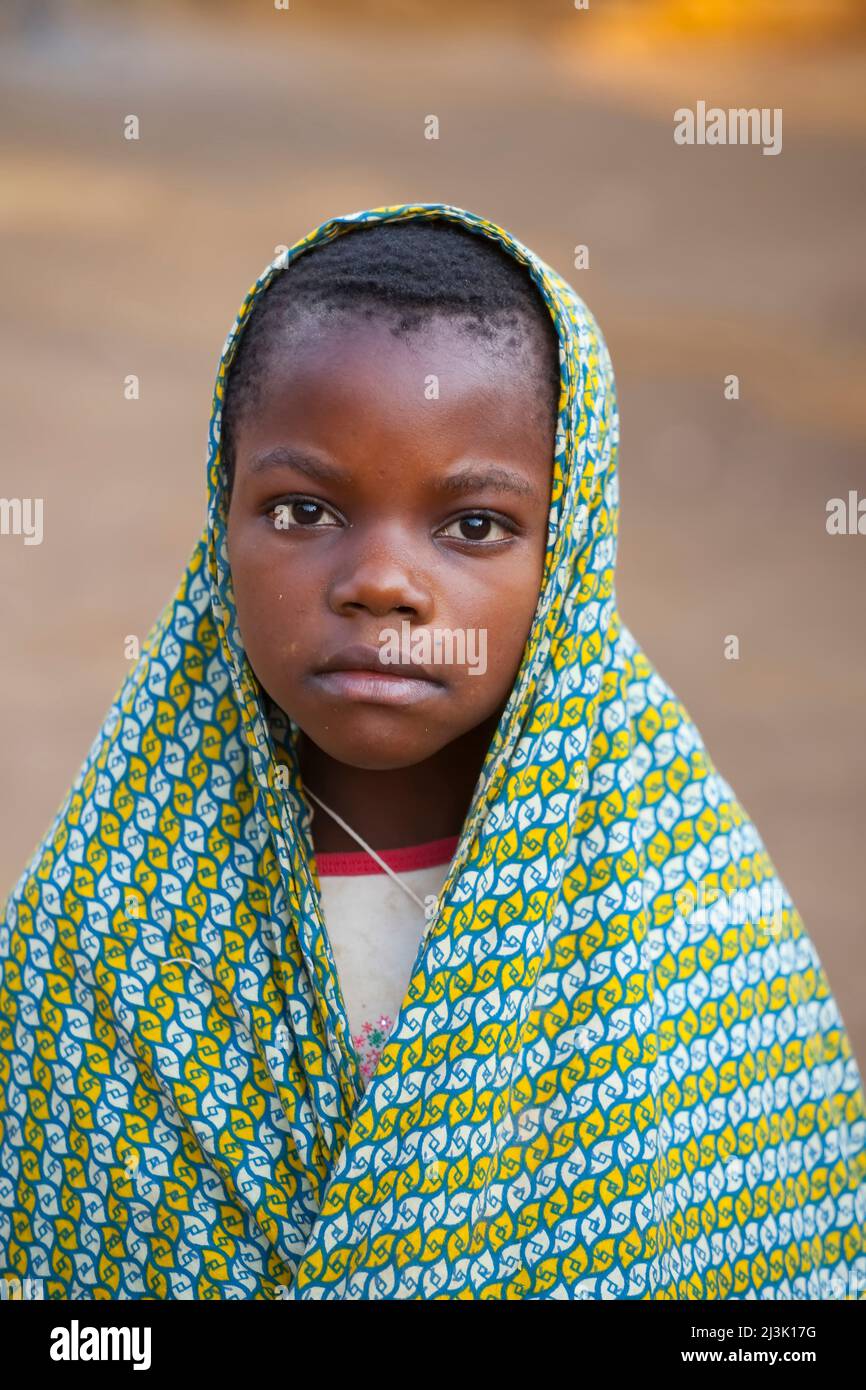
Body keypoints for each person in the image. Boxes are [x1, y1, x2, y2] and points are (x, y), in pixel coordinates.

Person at [1, 202, 864, 1301]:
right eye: (304, 508)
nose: (381, 582)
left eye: (471, 527)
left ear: (570, 543)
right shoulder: (107, 924)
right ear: (221, 519)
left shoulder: (685, 924)